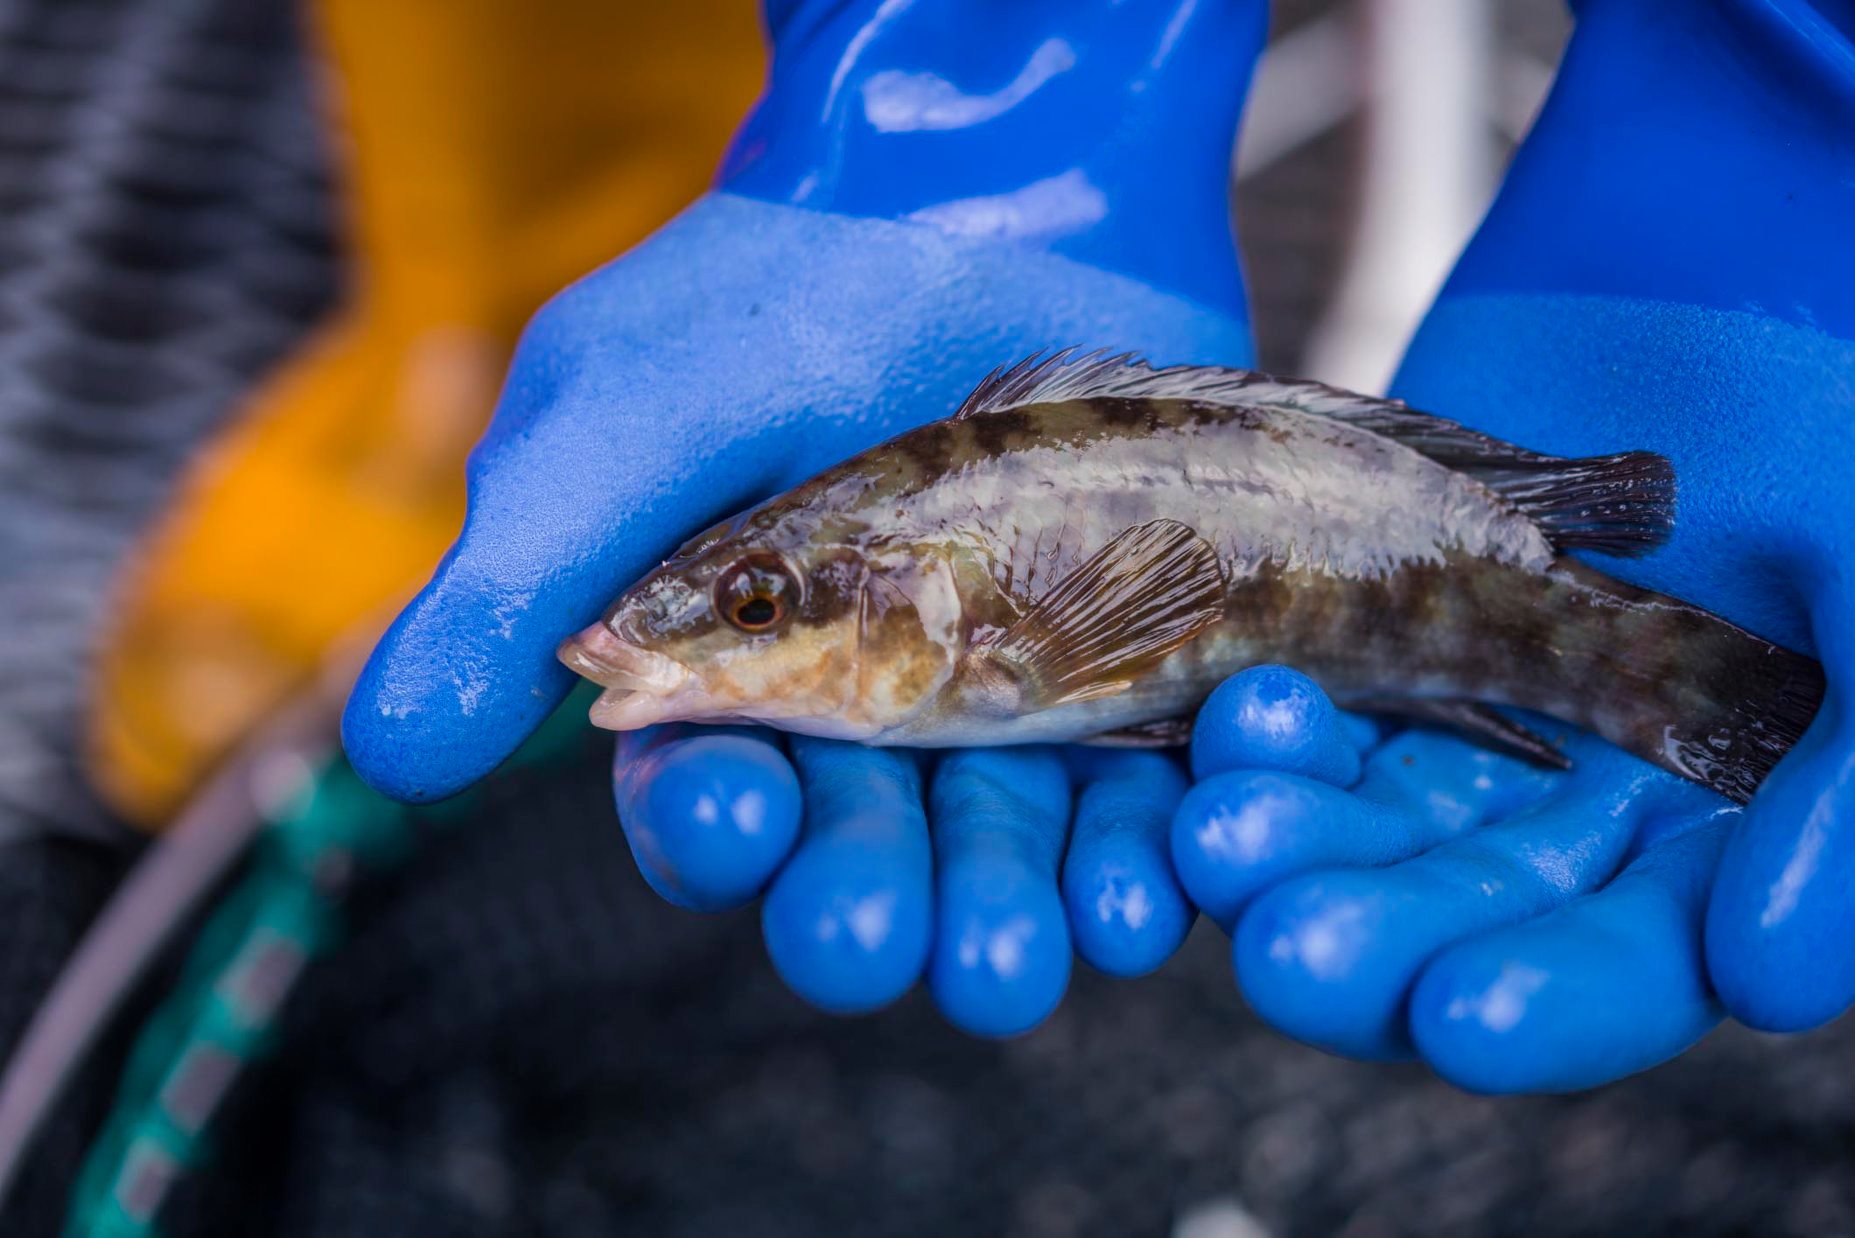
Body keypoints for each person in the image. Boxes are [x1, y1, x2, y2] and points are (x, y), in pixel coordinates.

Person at [337, 0, 1855, 1086]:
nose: (671, 631)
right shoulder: (921, 593)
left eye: (755, 599)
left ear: (917, 608)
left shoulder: (986, 624)